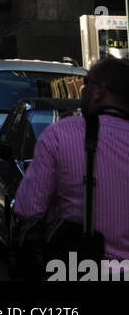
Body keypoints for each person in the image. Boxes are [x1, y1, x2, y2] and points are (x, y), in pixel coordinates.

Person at [13, 56, 129, 261]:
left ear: (100, 91)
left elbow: (28, 209)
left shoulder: (60, 135)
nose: (82, 90)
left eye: (87, 83)